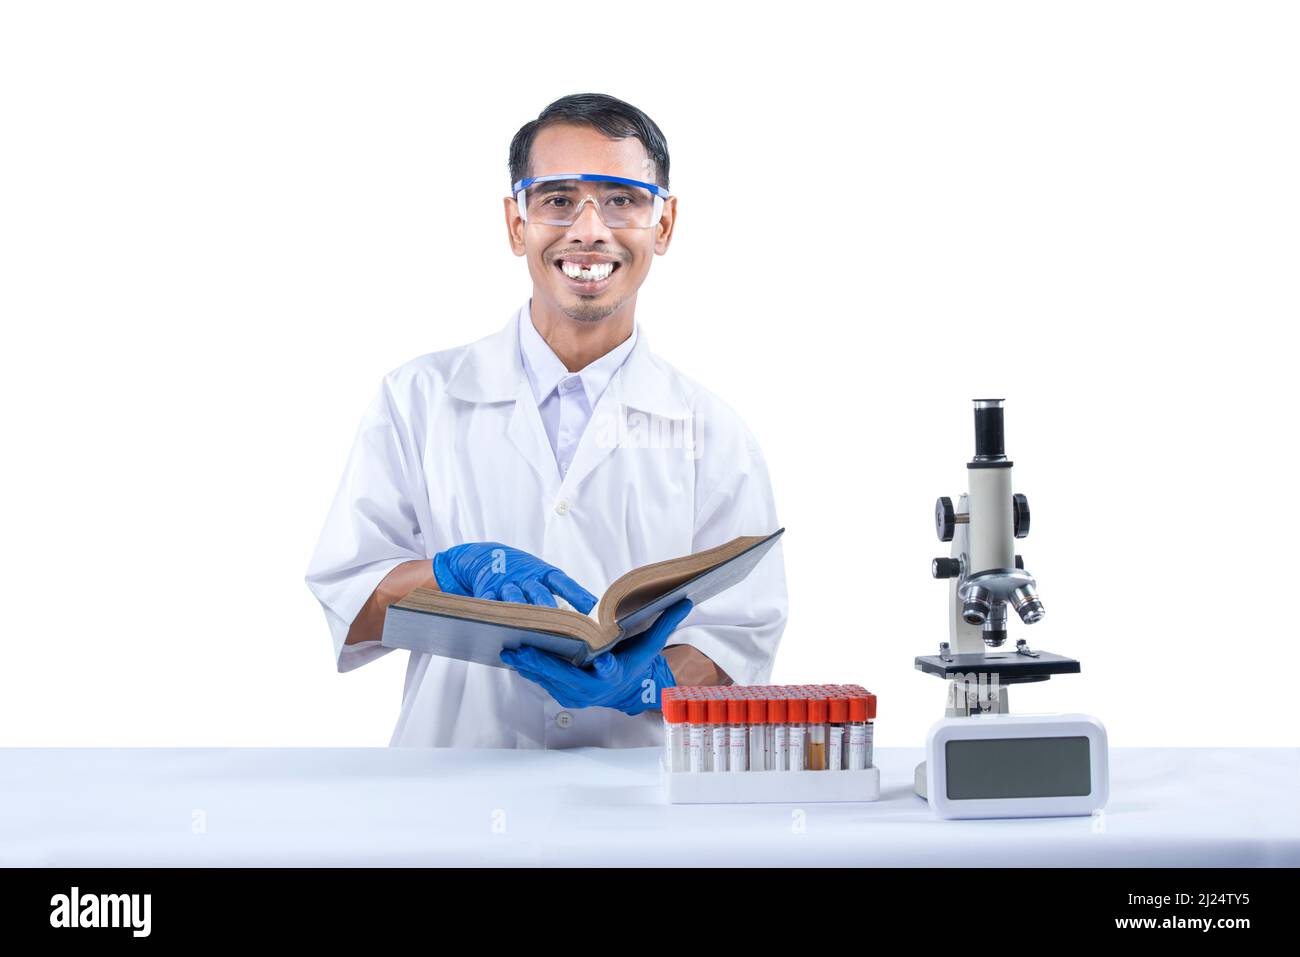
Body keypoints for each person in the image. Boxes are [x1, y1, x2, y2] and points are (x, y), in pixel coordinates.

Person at [305, 93, 787, 747]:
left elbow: (741, 638)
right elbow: (350, 601)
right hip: (450, 800)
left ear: (664, 224)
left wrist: (651, 683)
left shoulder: (713, 433)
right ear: (516, 223)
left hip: (636, 813)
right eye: (558, 200)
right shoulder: (416, 399)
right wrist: (447, 575)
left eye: (622, 199)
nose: (589, 230)